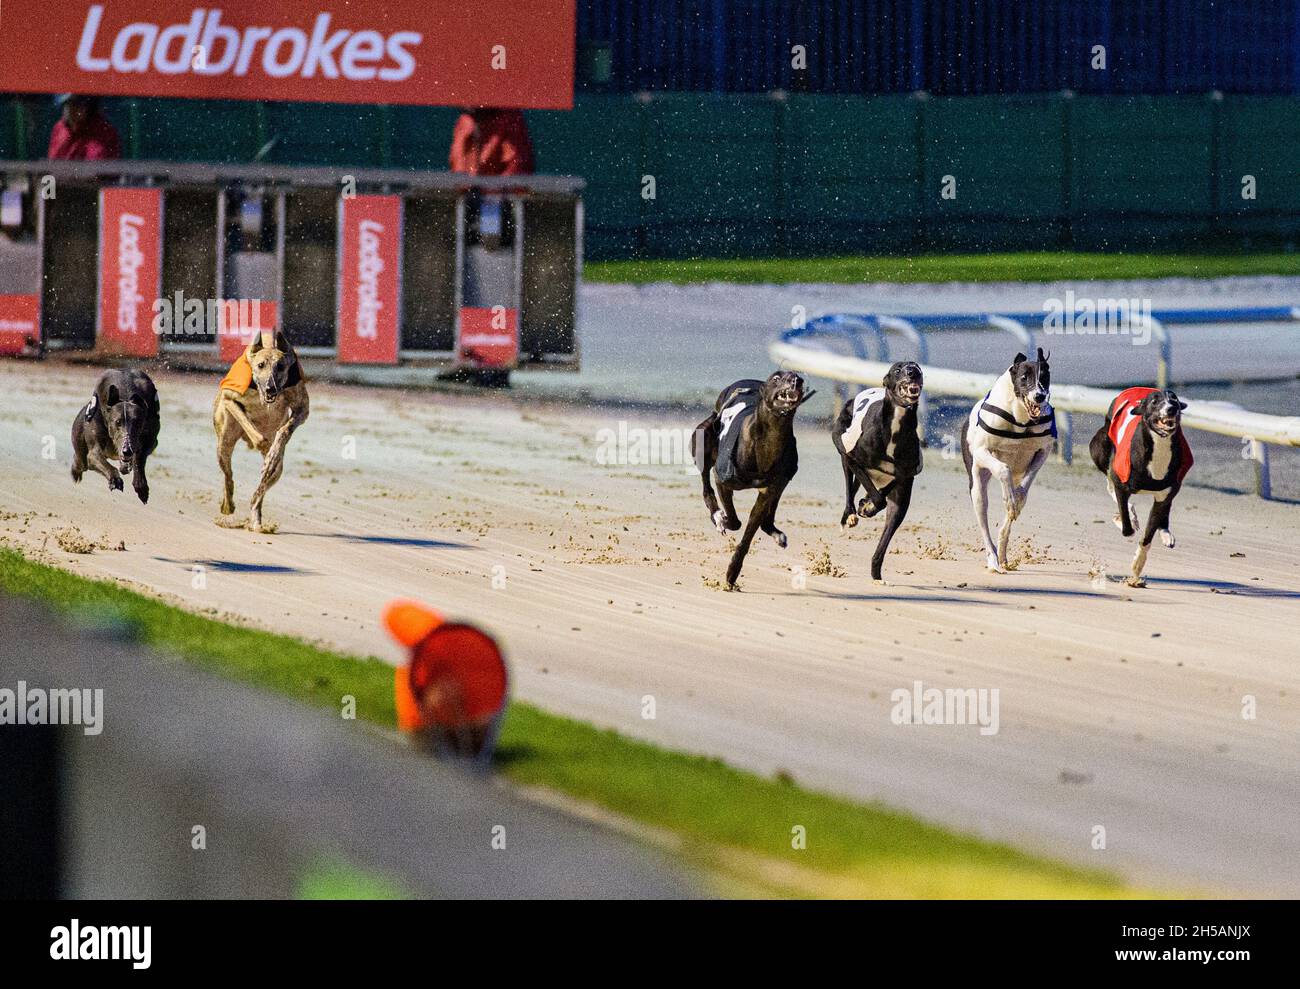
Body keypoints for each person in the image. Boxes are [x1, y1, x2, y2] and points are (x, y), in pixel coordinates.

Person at [448, 108, 534, 176]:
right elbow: (456, 161)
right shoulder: (465, 120)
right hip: (471, 190)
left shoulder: (509, 118)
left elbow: (516, 162)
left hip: (500, 192)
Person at [47, 95, 121, 161]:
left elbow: (97, 167)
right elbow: (53, 163)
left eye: (77, 104)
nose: (71, 110)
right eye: (68, 104)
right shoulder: (59, 128)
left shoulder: (103, 130)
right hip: (61, 175)